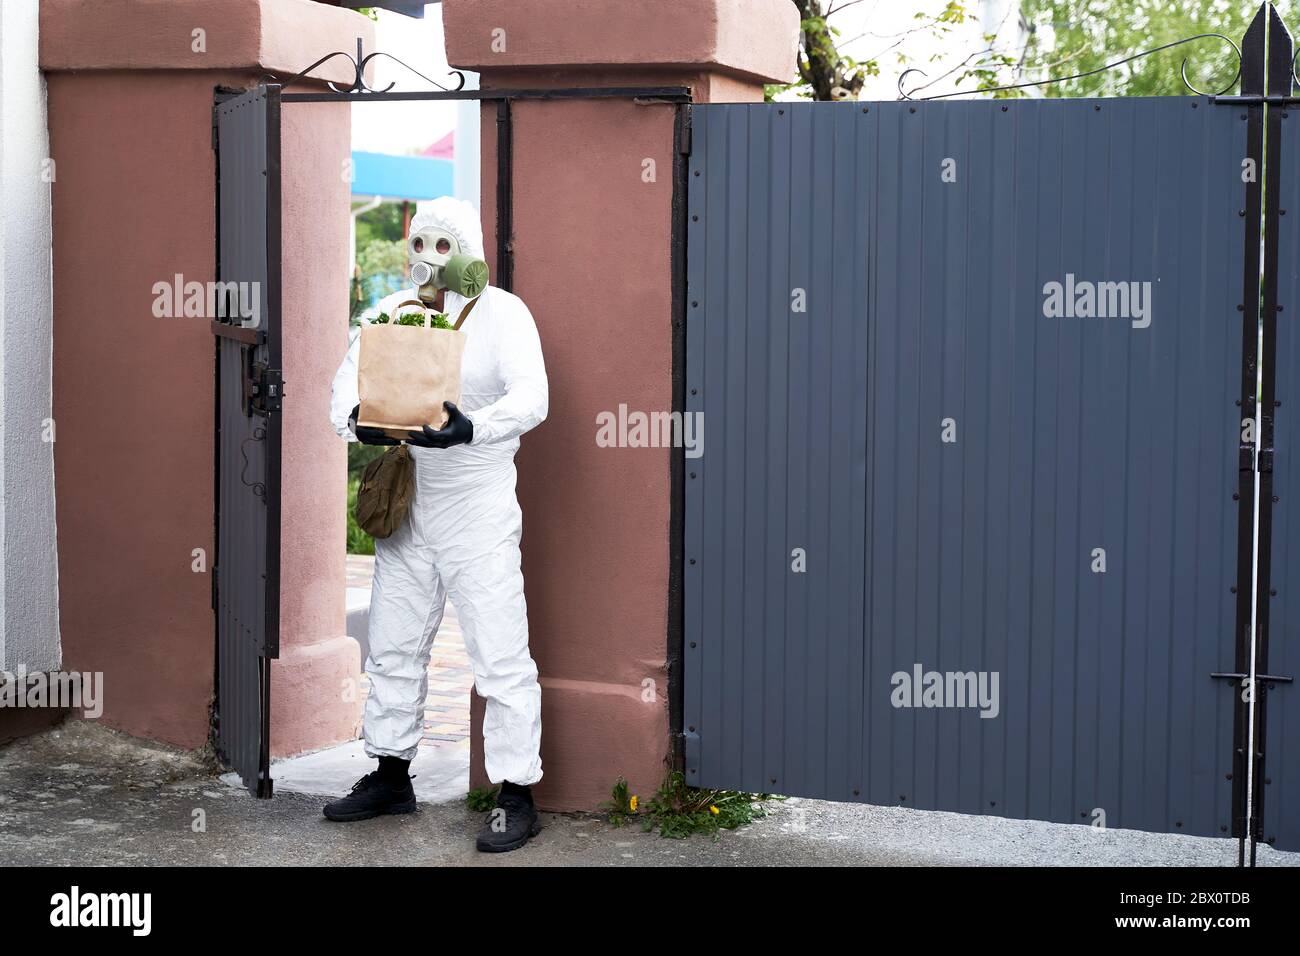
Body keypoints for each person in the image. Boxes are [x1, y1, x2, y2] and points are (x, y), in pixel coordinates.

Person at [325, 197, 547, 853]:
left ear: (469, 247)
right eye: (420, 243)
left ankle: (515, 792)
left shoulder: (505, 315)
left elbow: (532, 396)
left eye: (444, 246)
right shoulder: (392, 313)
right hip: (412, 498)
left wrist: (475, 427)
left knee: (499, 651)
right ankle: (390, 774)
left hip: (478, 500)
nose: (430, 258)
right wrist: (361, 420)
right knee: (392, 644)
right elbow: (343, 389)